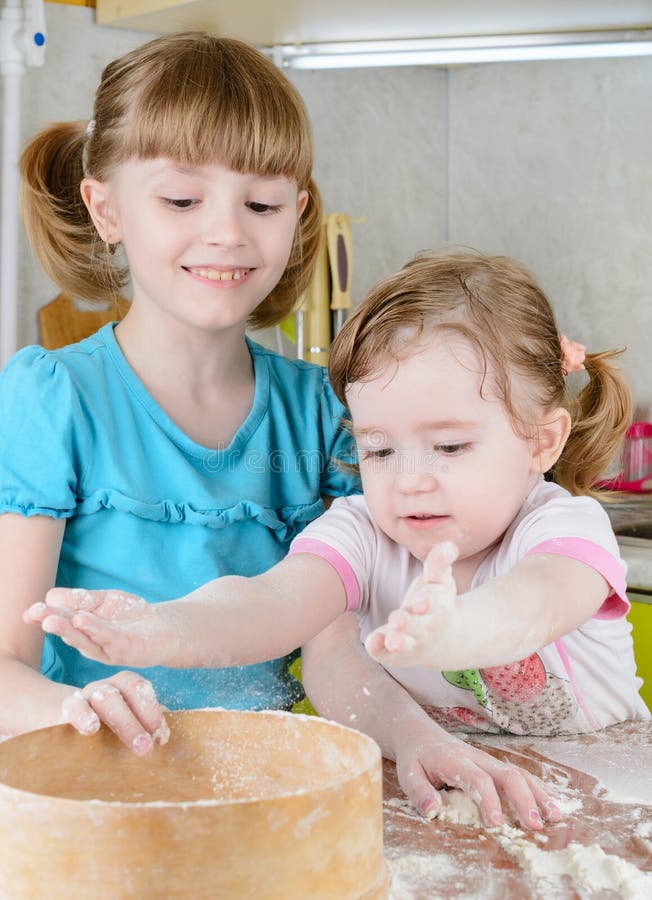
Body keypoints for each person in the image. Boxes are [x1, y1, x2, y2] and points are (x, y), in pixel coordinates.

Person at [31, 250, 648, 830]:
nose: (409, 482)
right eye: (378, 449)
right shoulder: (363, 532)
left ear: (542, 440)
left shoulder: (562, 527)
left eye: (451, 446)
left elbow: (533, 605)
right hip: (454, 800)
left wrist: (454, 631)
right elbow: (272, 602)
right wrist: (164, 628)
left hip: (609, 800)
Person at [1, 32, 359, 754]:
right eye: (183, 198)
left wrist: (411, 737)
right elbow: (5, 667)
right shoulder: (54, 400)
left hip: (267, 791)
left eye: (261, 204)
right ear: (107, 211)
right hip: (99, 795)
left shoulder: (322, 413)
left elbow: (337, 658)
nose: (226, 233)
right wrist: (82, 708)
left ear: (299, 210)